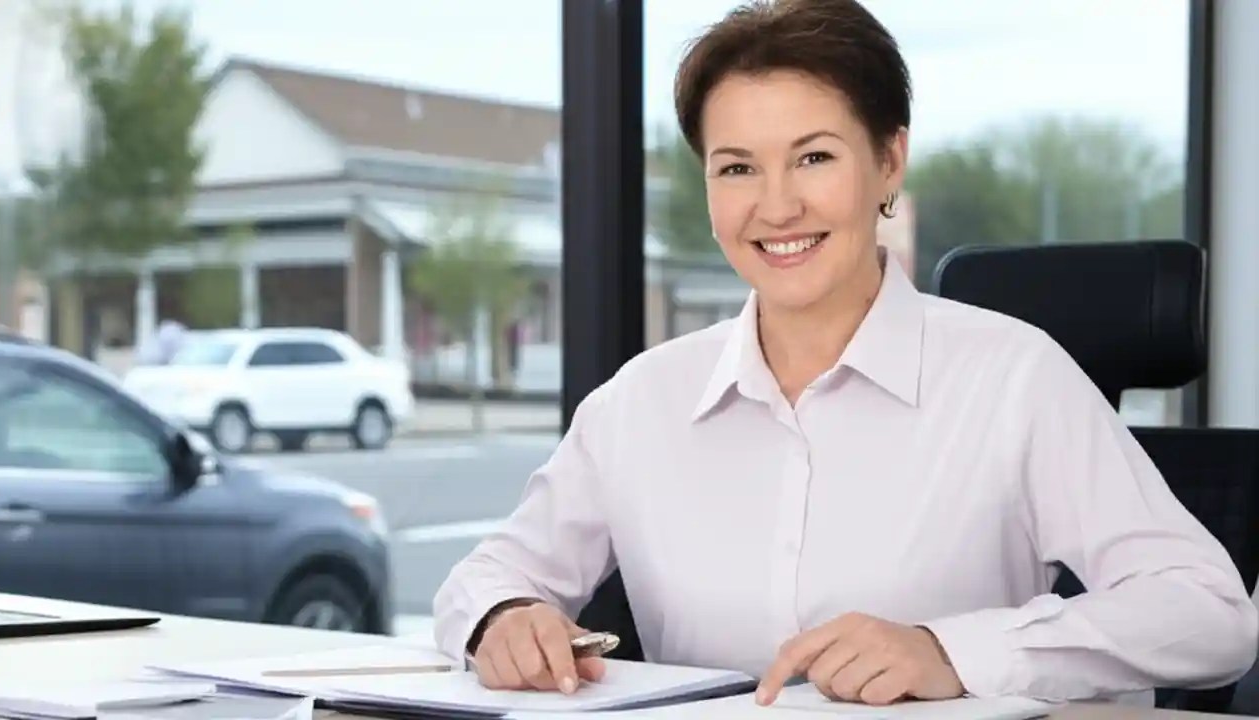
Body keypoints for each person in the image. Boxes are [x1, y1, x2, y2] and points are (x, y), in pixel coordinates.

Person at [433, 0, 1259, 708]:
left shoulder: (1014, 377)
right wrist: (503, 618)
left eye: (815, 157)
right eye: (737, 167)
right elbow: (486, 578)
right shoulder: (640, 401)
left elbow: (1211, 614)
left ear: (888, 160)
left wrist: (952, 652)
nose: (777, 205)